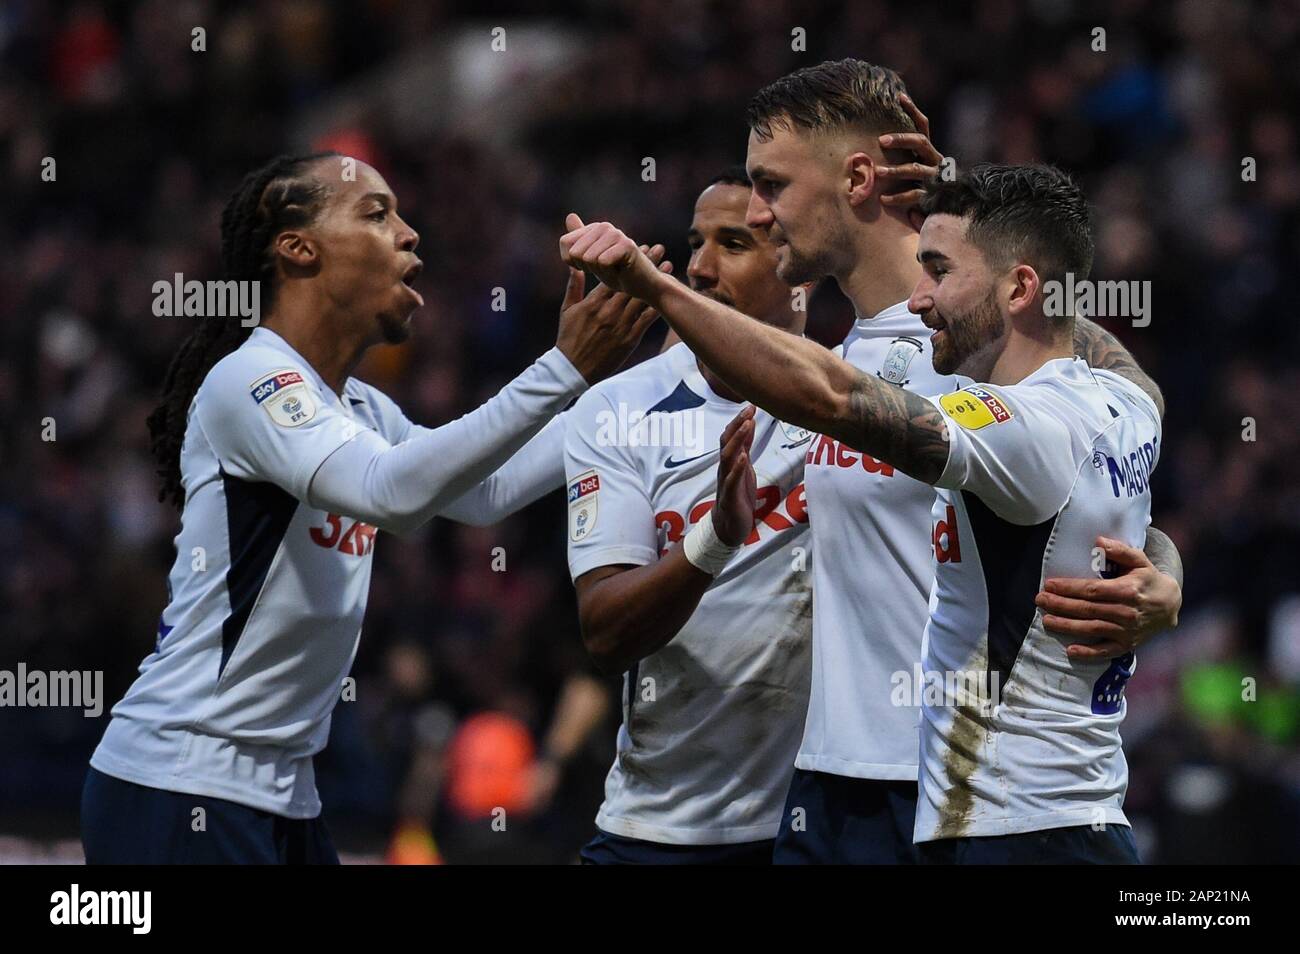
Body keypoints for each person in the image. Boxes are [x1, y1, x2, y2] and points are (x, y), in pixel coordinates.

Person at [560, 59, 1183, 863]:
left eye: (771, 185)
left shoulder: (978, 352)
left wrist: (1162, 575)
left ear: (856, 178)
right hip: (824, 788)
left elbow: (1124, 423)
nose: (757, 211)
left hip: (960, 789)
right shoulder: (831, 353)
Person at [81, 152, 660, 864]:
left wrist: (651, 380)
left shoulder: (359, 406)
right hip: (180, 784)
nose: (410, 234)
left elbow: (486, 493)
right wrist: (563, 367)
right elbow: (393, 493)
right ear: (298, 248)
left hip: (282, 794)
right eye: (377, 213)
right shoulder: (250, 380)